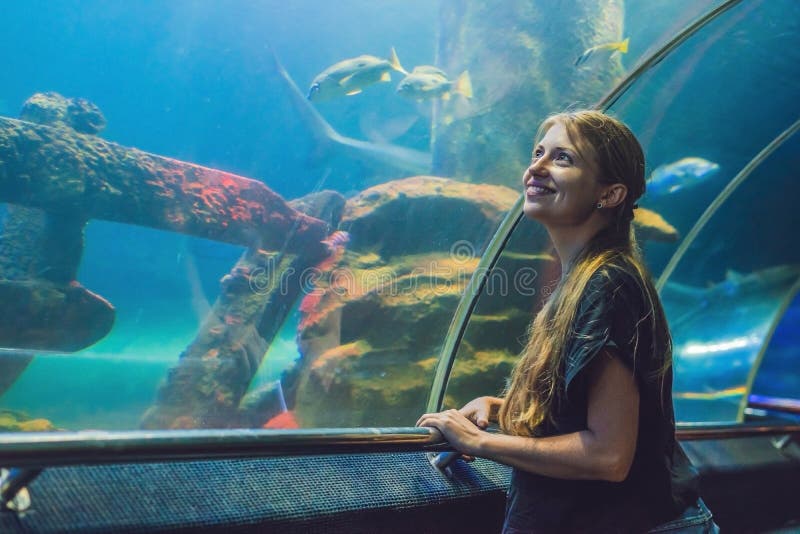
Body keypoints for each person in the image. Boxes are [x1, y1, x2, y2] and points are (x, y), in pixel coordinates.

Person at [417, 110, 716, 533]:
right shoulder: (584, 278)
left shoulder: (608, 284)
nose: (536, 167)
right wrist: (502, 409)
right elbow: (586, 413)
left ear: (609, 194)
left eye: (563, 159)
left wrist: (479, 443)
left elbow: (608, 455)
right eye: (538, 153)